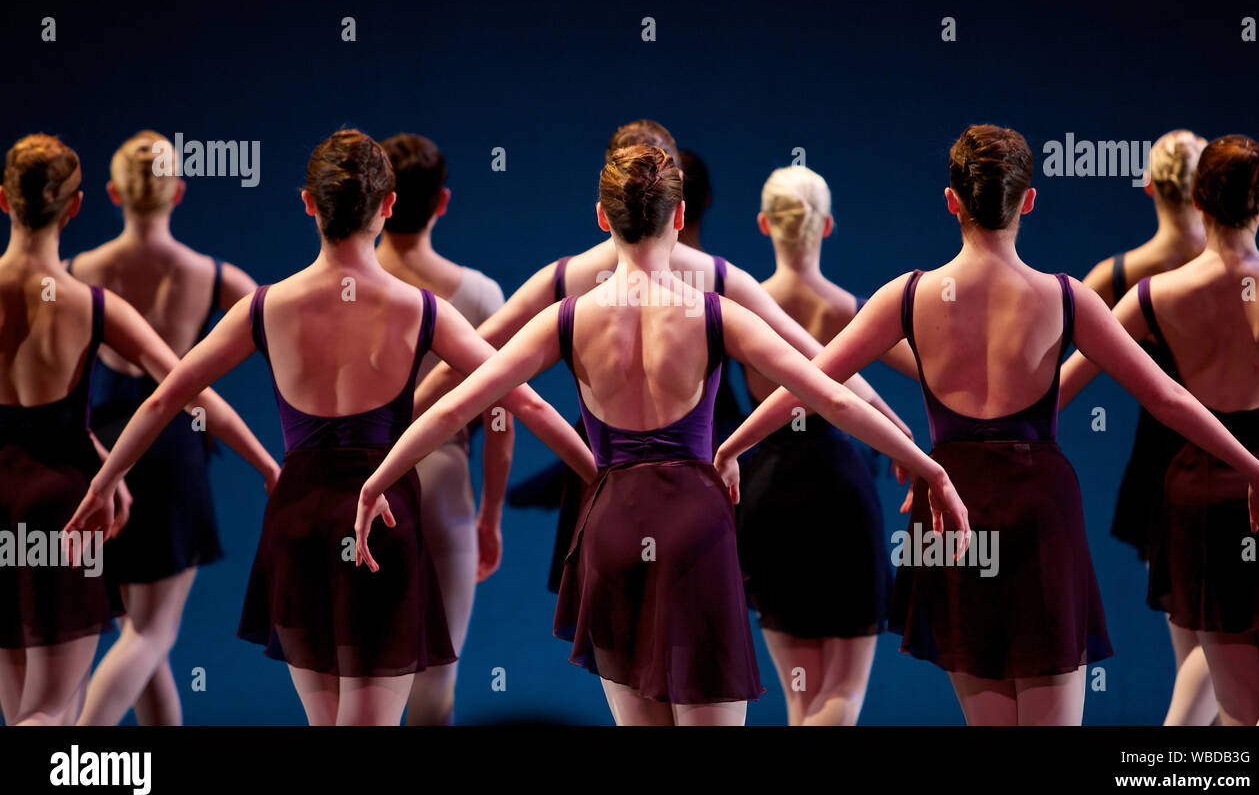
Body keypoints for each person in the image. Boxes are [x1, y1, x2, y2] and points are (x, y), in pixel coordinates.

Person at [356, 145, 969, 726]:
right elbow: (829, 393)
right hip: (694, 528)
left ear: (602, 217)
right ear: (679, 215)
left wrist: (375, 480)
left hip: (611, 528)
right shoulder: (713, 313)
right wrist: (927, 465)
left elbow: (454, 403)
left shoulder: (567, 318)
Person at [714, 124, 1259, 726]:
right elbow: (1169, 397)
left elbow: (811, 382)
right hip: (1041, 510)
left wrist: (731, 446)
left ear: (951, 200)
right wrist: (1253, 465)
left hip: (953, 515)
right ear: (1030, 200)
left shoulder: (907, 297)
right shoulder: (1065, 298)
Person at [68, 129, 594, 725]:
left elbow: (166, 400)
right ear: (387, 206)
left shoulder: (265, 308)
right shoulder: (421, 312)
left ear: (308, 203)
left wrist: (103, 480)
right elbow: (526, 404)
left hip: (299, 525)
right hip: (384, 523)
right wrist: (598, 475)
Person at [419, 119, 911, 591]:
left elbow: (457, 367)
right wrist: (892, 424)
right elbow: (822, 362)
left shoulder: (564, 280)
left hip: (605, 474)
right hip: (697, 474)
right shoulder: (717, 280)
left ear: (608, 201)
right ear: (674, 197)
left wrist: (391, 433)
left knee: (615, 640)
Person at [1, 133, 276, 726]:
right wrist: (269, 464)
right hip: (132, 460)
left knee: (110, 651)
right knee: (146, 637)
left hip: (86, 453)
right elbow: (193, 386)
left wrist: (104, 457)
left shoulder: (81, 274)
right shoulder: (111, 296)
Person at [1064, 135, 1259, 725]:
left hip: (1193, 487)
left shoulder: (1152, 295)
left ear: (1198, 200)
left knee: (1237, 707)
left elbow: (1062, 385)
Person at [1065, 128, 1216, 726]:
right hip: (1236, 455)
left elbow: (1051, 371)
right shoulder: (1241, 273)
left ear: (1149, 185)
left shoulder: (1123, 276)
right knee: (1232, 658)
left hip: (1165, 465)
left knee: (1198, 649)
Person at [735, 165, 891, 725]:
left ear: (763, 224)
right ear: (827, 226)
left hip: (768, 495)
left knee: (800, 700)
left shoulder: (741, 308)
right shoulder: (851, 311)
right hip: (842, 491)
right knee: (842, 696)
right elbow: (935, 370)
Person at [374, 132, 509, 725]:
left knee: (363, 684)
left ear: (381, 200)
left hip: (363, 486)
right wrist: (490, 517)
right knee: (435, 686)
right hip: (444, 485)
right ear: (442, 202)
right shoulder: (480, 295)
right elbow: (502, 422)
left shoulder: (335, 293)